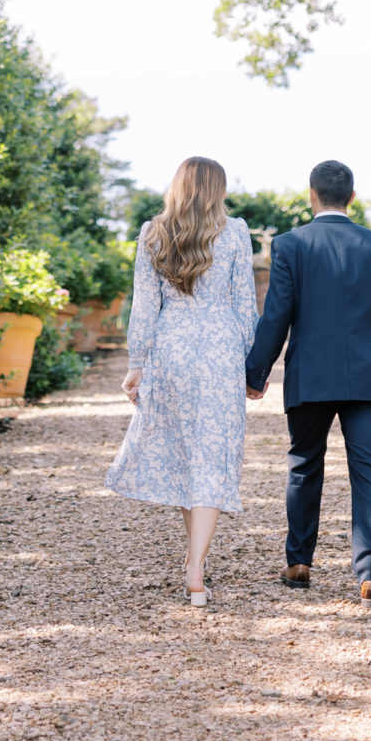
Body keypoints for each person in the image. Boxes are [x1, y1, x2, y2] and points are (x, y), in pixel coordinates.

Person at [245, 159, 371, 607]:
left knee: (304, 464)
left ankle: (299, 563)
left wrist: (255, 374)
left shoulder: (290, 245)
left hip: (311, 376)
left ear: (311, 196)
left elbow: (276, 316)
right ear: (352, 198)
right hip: (370, 378)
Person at [106, 156, 257, 606]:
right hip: (220, 352)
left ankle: (195, 561)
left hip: (172, 349)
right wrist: (253, 365)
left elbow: (144, 305)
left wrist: (137, 363)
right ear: (218, 190)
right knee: (212, 455)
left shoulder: (154, 232)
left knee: (186, 453)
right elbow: (245, 304)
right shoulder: (236, 231)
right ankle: (195, 566)